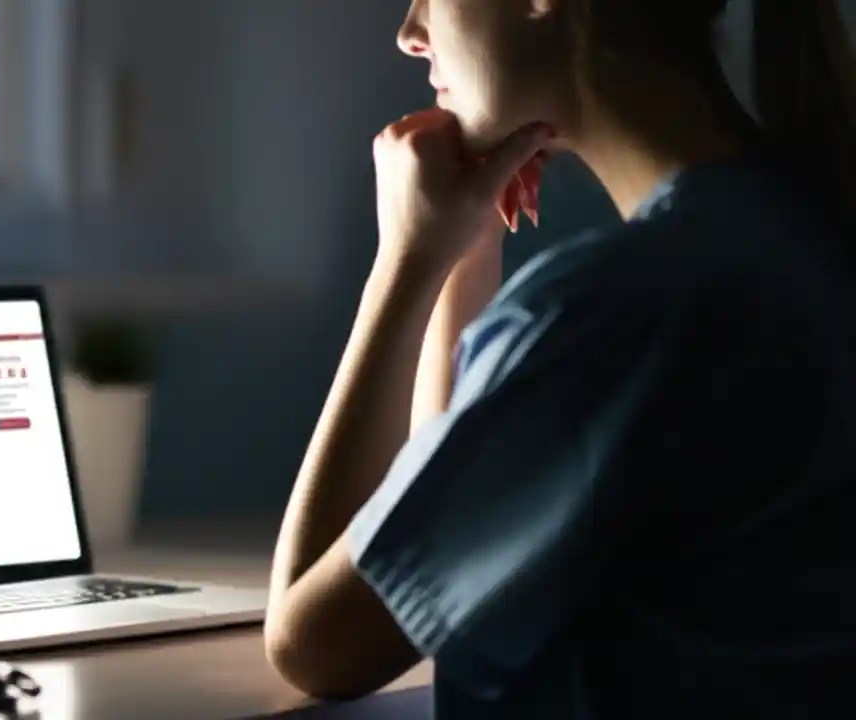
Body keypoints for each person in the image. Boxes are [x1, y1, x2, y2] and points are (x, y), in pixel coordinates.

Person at [264, 0, 856, 717]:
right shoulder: (790, 235)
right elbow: (443, 520)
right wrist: (463, 252)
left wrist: (405, 262)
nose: (410, 33)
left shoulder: (613, 311)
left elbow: (313, 644)